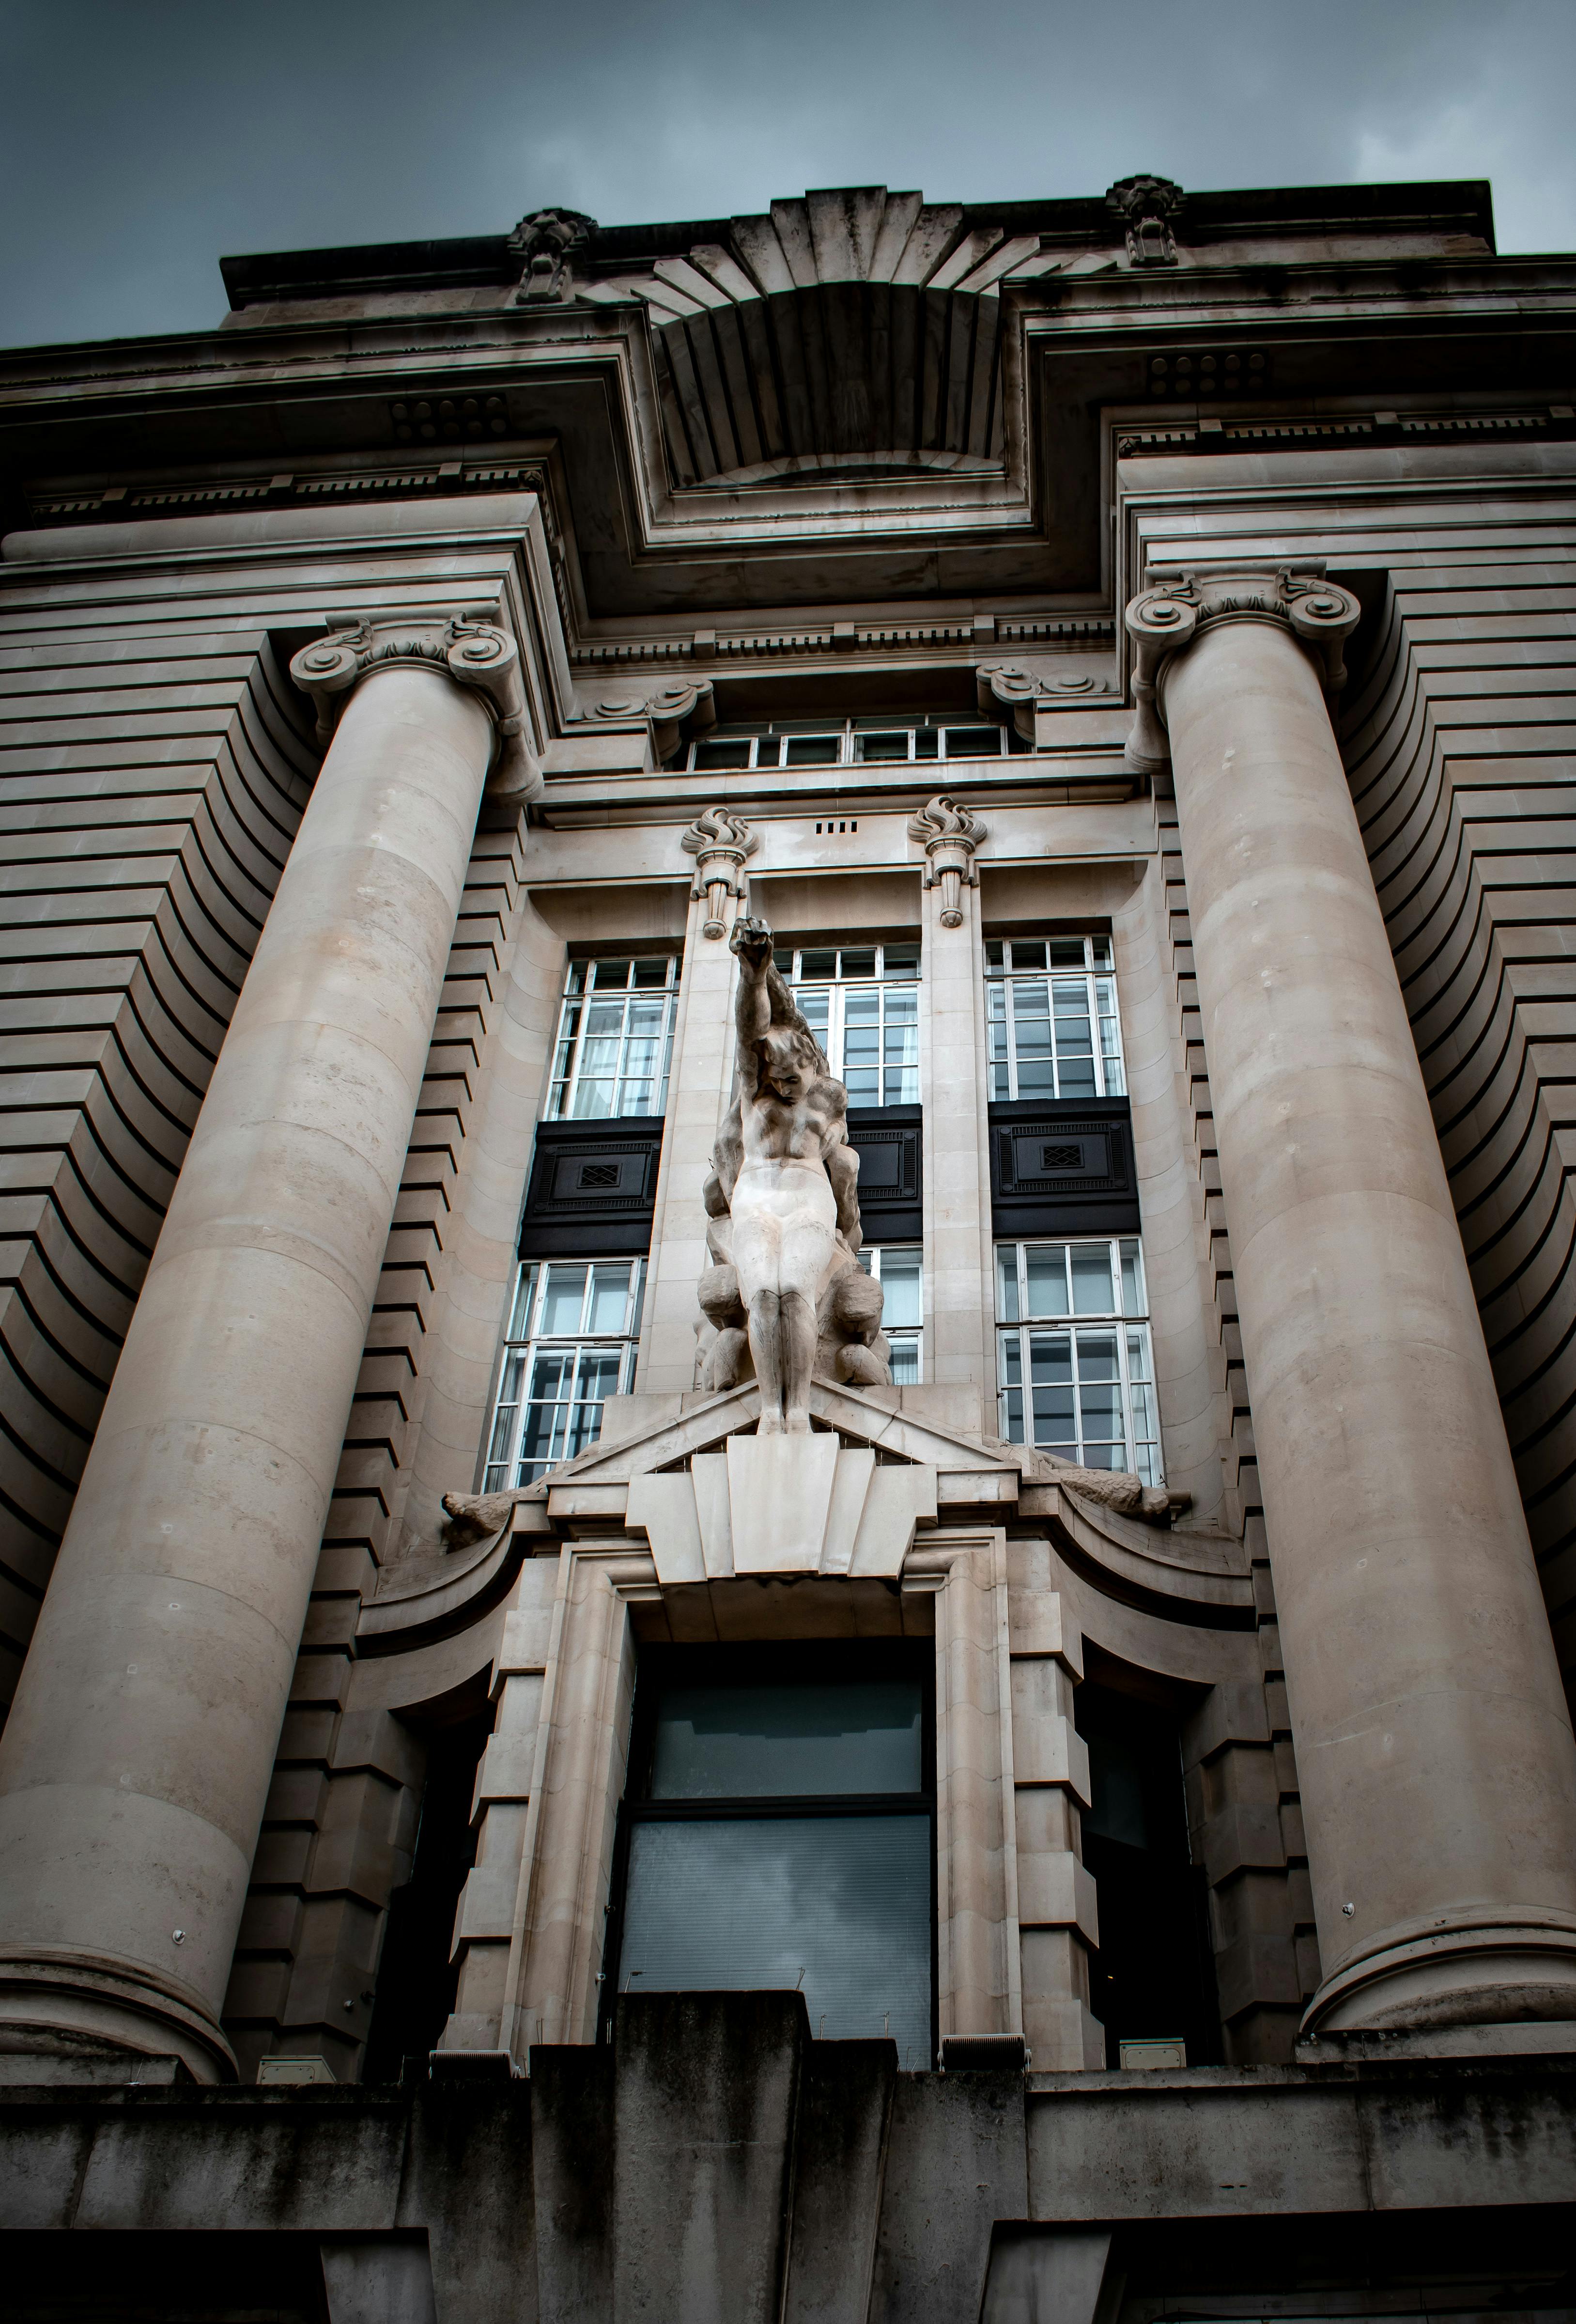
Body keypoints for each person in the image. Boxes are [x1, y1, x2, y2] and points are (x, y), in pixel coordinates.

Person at [721, 915, 854, 1433]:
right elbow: (749, 1030)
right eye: (775, 1081)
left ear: (810, 1063)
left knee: (794, 1292)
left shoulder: (829, 1097)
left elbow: (789, 1019)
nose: (784, 1088)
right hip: (755, 1198)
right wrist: (753, 976)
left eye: (792, 1078)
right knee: (761, 1295)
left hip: (808, 1199)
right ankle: (768, 1411)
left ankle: (795, 1408)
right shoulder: (755, 1091)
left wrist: (766, 967)